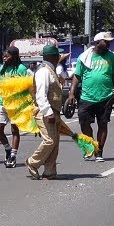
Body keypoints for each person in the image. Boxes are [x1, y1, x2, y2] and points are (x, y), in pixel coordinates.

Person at [66, 32, 114, 162]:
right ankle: (91, 145)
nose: (109, 43)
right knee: (84, 123)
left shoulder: (111, 58)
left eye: (109, 41)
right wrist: (71, 93)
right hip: (87, 98)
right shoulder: (84, 57)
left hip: (105, 97)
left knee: (103, 124)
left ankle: (99, 152)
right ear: (98, 42)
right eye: (106, 41)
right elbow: (77, 76)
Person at [25, 45, 64, 180]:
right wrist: (48, 112)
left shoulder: (51, 70)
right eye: (57, 56)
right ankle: (32, 162)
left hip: (54, 111)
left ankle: (49, 171)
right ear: (54, 57)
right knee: (50, 140)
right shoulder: (44, 72)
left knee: (55, 142)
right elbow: (41, 95)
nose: (59, 58)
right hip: (45, 112)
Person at [0, 46, 29, 168]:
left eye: (7, 56)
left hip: (16, 104)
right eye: (3, 56)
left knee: (14, 130)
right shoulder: (3, 69)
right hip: (3, 103)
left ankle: (13, 156)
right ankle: (7, 149)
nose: (4, 58)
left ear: (14, 56)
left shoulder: (21, 69)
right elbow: (0, 86)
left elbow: (24, 87)